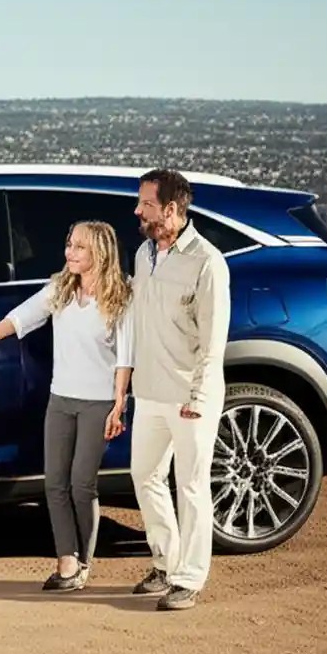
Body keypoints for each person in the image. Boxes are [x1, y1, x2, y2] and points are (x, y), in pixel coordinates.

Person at [0, 220, 134, 592]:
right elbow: (20, 318)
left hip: (98, 402)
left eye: (79, 247)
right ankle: (67, 560)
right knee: (55, 483)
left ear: (100, 252)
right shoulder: (60, 290)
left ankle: (84, 561)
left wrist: (118, 405)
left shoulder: (121, 298)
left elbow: (125, 358)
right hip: (61, 399)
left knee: (82, 484)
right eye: (69, 244)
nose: (70, 252)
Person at [127, 167, 231, 611]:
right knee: (145, 476)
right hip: (148, 392)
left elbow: (213, 341)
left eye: (146, 204)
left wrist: (199, 397)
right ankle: (166, 562)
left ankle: (189, 577)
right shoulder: (142, 254)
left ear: (171, 210)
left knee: (189, 485)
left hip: (190, 397)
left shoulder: (208, 263)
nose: (138, 210)